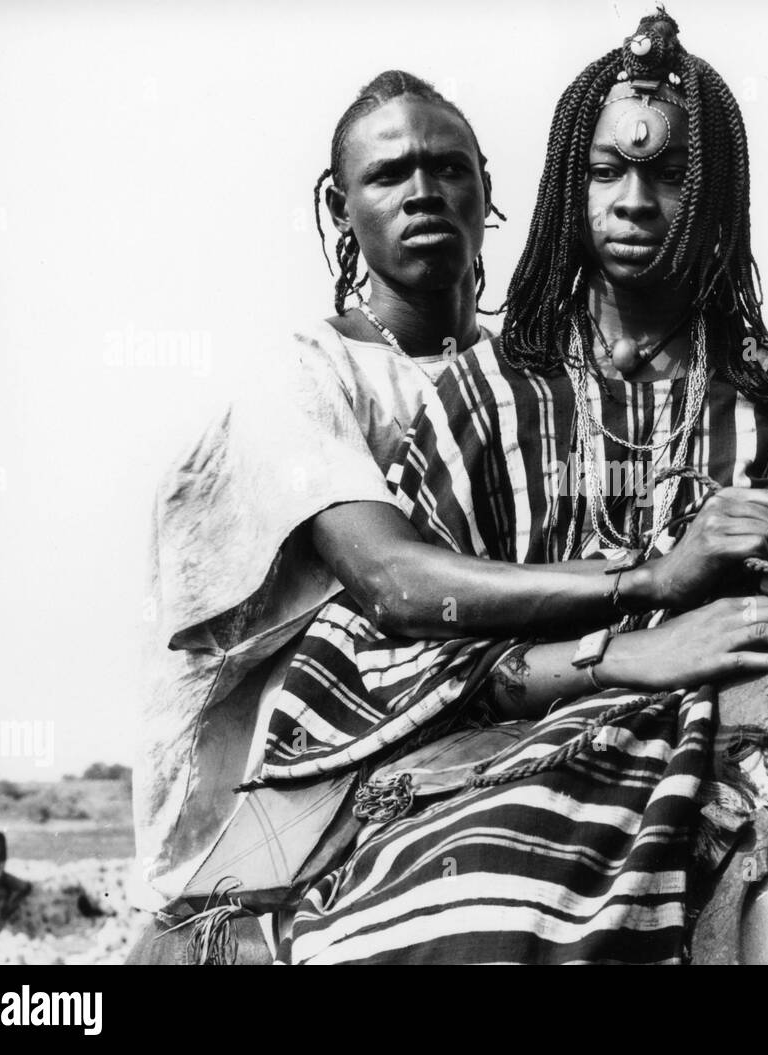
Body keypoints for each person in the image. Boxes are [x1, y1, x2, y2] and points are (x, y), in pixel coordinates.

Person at [257, 10, 768, 964]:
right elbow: (427, 645)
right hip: (515, 759)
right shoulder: (489, 394)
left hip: (748, 742)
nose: (636, 201)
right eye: (606, 172)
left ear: (719, 194)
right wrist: (640, 646)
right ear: (564, 186)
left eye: (672, 175)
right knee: (480, 912)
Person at [134, 70, 503, 913]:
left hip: (505, 691)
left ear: (486, 189)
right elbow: (392, 582)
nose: (423, 192)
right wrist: (645, 584)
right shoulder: (303, 374)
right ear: (341, 209)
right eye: (388, 175)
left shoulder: (529, 374)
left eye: (449, 168)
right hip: (318, 748)